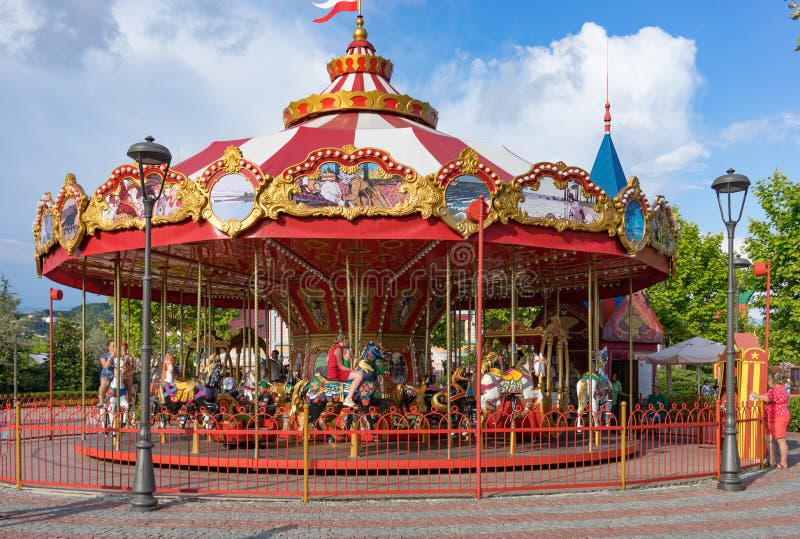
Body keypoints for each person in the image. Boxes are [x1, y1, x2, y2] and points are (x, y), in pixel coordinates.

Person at [755, 372, 791, 468]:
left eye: (768, 381)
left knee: (781, 440)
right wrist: (761, 396)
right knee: (768, 439)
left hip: (779, 417)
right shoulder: (774, 390)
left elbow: (767, 398)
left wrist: (757, 396)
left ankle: (783, 463)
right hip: (770, 417)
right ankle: (772, 461)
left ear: (772, 382)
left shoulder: (779, 390)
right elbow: (767, 397)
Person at [327, 334, 363, 408]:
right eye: (347, 341)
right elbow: (341, 366)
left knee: (359, 373)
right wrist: (353, 371)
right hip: (336, 373)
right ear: (344, 340)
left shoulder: (336, 348)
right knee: (359, 375)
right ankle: (348, 398)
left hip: (336, 371)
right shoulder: (338, 349)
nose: (348, 343)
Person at [97, 341, 116, 408]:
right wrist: (111, 357)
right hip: (107, 374)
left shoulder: (119, 355)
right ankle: (101, 401)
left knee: (128, 382)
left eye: (116, 346)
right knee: (105, 383)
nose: (115, 347)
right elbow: (106, 366)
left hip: (117, 375)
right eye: (113, 346)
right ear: (108, 347)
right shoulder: (104, 356)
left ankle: (130, 399)